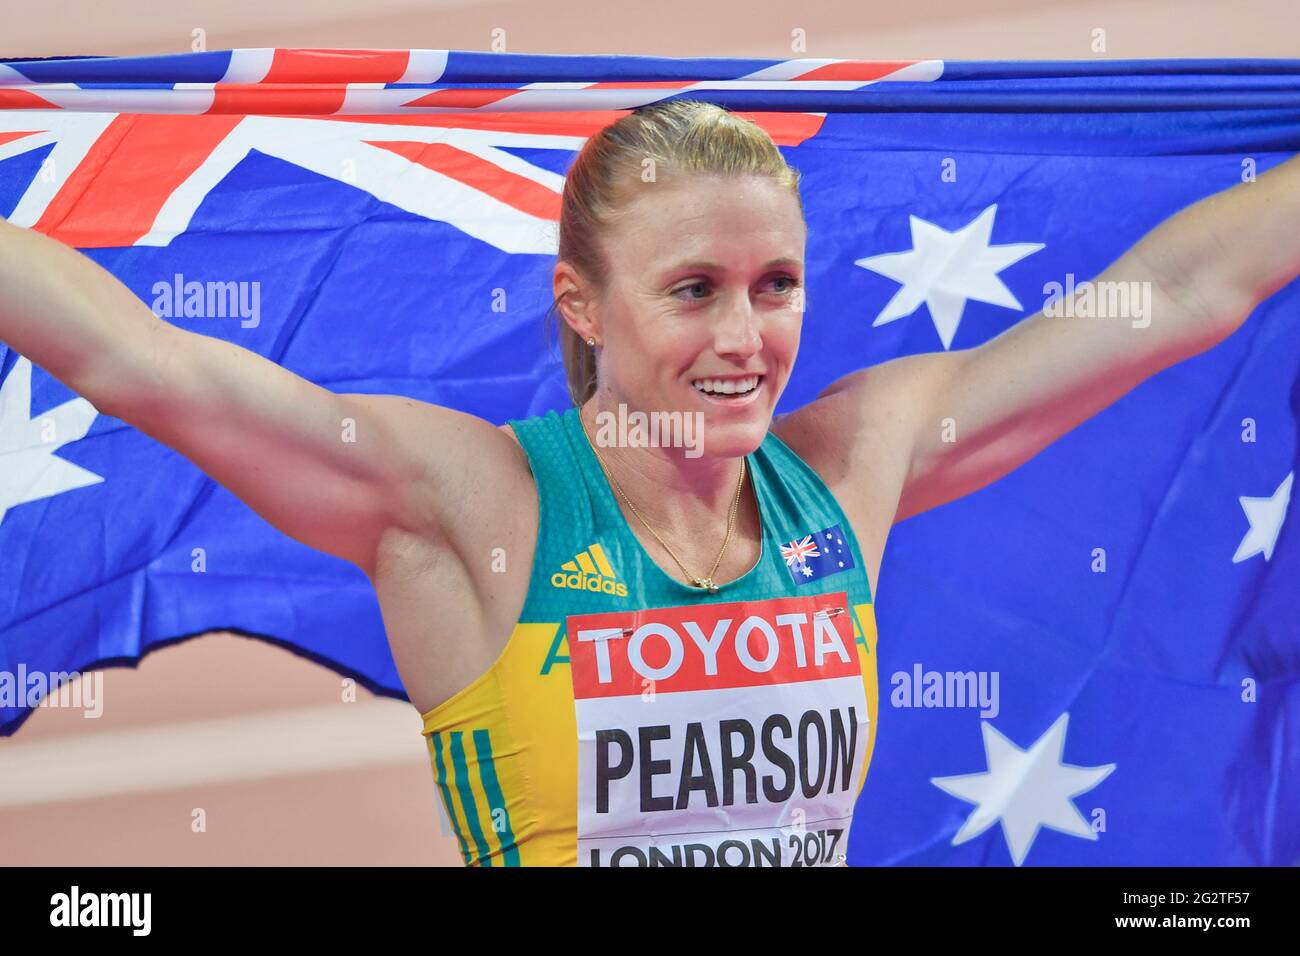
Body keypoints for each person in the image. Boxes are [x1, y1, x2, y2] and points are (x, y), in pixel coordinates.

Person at [1, 99, 1296, 867]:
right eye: (693, 291)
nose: (746, 340)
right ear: (582, 302)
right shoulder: (477, 504)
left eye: (775, 286)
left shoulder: (849, 467)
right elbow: (136, 361)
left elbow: (1180, 295)